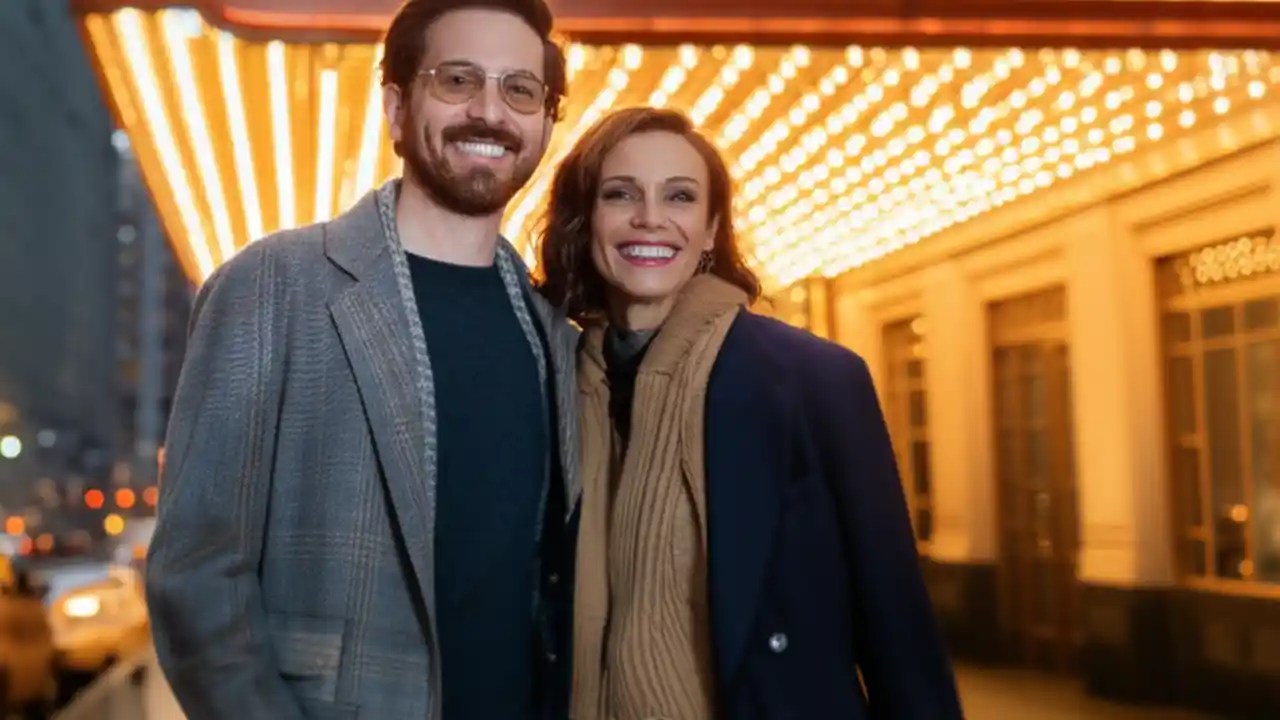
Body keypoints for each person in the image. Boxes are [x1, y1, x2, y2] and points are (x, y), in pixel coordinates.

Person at [146, 1, 579, 718]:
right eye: (458, 80)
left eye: (520, 89)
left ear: (543, 121)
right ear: (397, 107)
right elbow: (196, 576)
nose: (490, 111)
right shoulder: (273, 285)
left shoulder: (553, 333)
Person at [537, 106, 964, 719]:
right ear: (587, 221)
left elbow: (896, 625)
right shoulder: (552, 385)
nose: (650, 218)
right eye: (620, 194)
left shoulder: (815, 380)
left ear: (711, 230)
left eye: (679, 197)